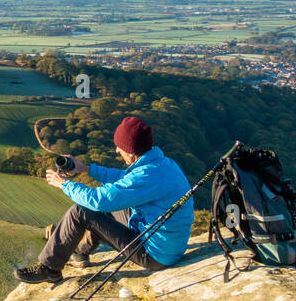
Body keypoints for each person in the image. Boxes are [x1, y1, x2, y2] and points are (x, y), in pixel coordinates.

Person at [13, 115, 193, 284]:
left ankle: (49, 269)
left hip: (153, 254)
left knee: (81, 211)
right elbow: (124, 179)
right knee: (109, 202)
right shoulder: (162, 164)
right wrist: (86, 169)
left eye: (119, 147)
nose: (116, 150)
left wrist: (64, 185)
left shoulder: (147, 175)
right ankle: (80, 253)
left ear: (131, 153)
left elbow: (99, 201)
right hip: (168, 245)